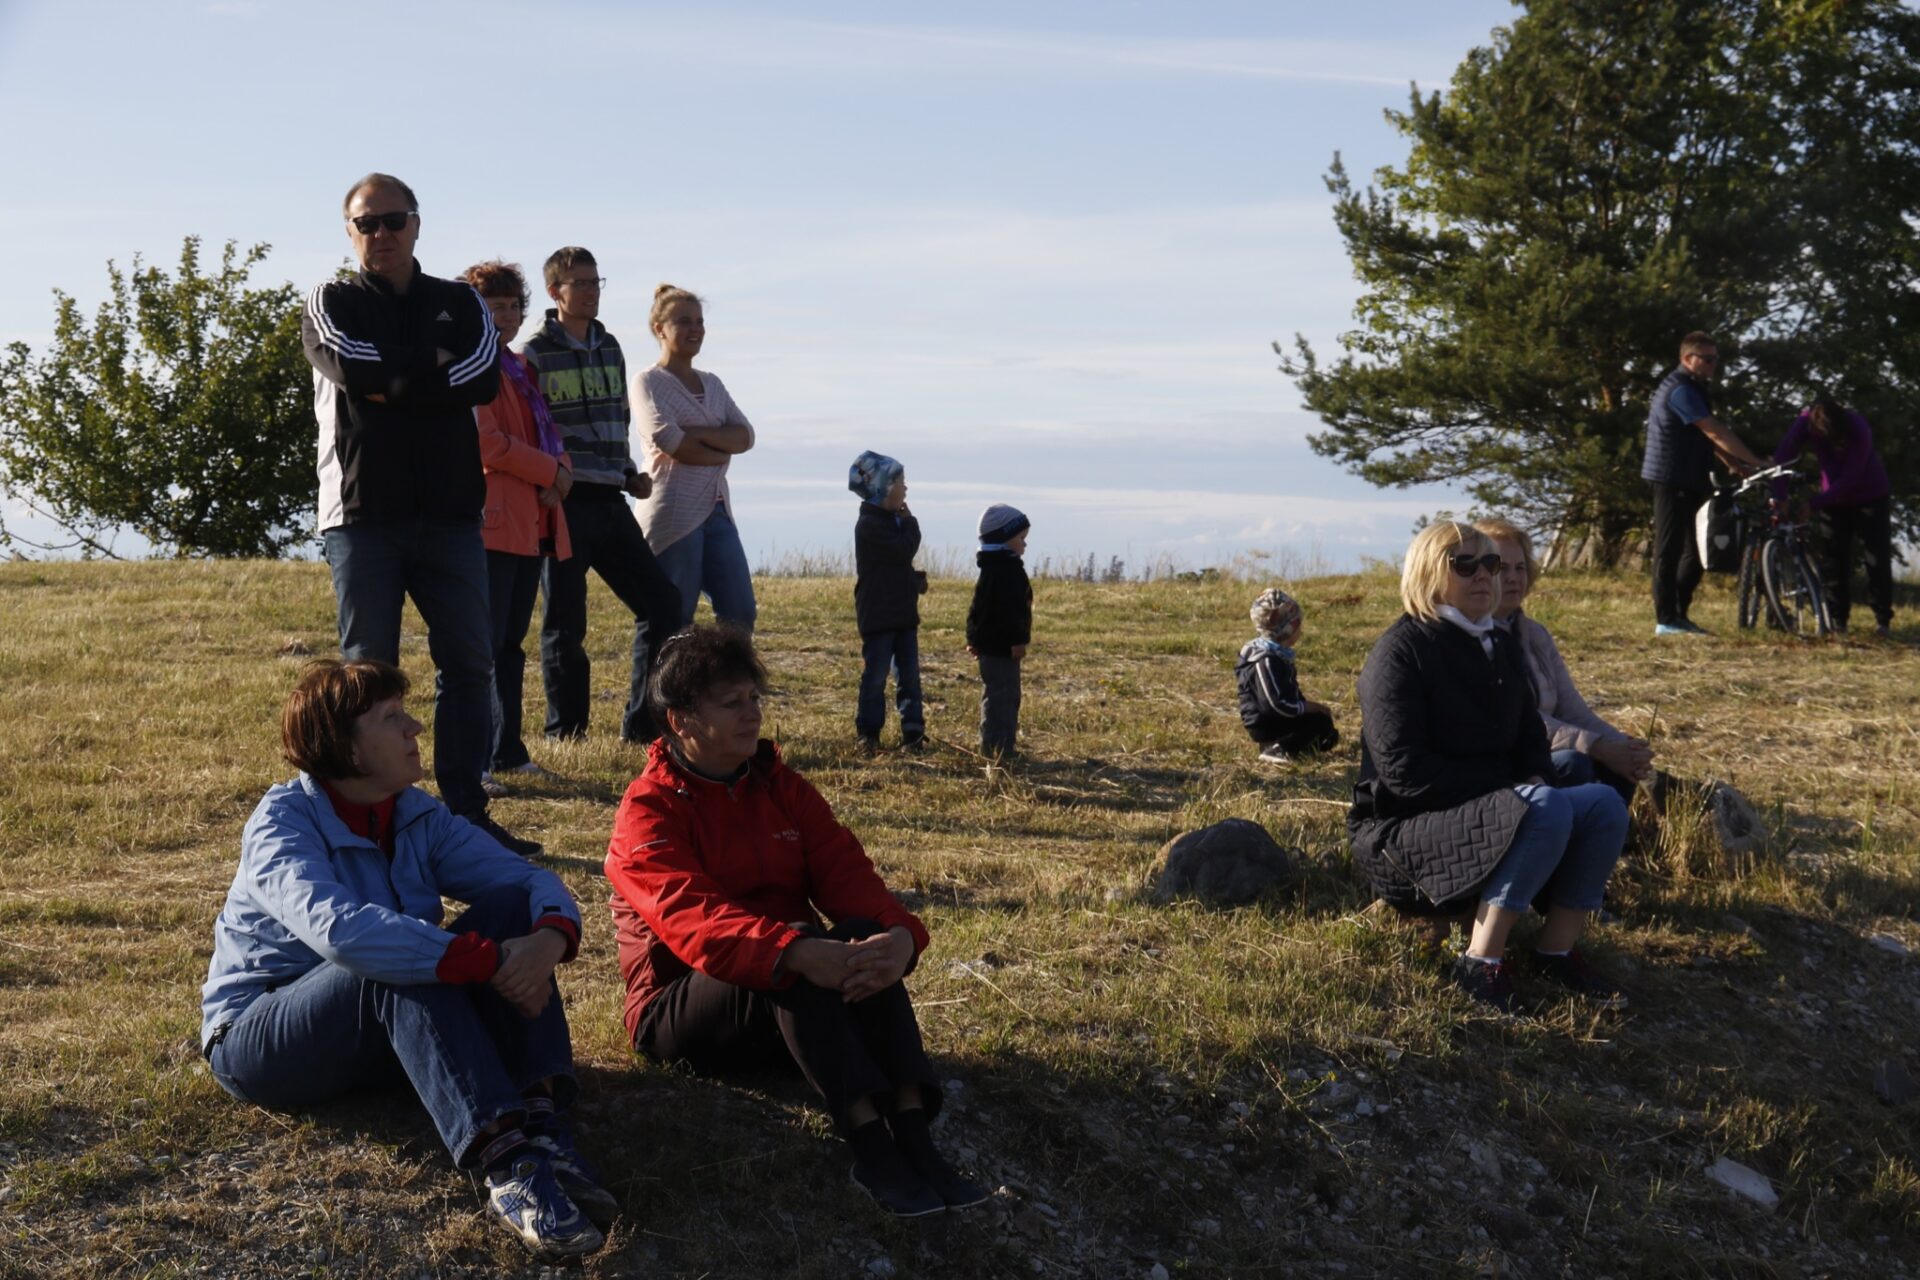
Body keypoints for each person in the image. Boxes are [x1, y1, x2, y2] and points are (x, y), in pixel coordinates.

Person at [200, 660, 611, 1260]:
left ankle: (543, 1123)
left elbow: (526, 882)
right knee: (393, 958)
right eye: (392, 718)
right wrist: (486, 960)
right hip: (261, 1039)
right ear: (348, 748)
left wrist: (546, 939)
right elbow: (344, 934)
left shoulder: (418, 813)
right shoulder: (281, 823)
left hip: (374, 1032)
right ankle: (510, 1165)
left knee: (506, 910)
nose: (415, 727)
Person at [605, 626, 987, 1218]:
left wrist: (898, 937)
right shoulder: (648, 808)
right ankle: (869, 1144)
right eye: (731, 703)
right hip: (679, 1008)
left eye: (754, 697)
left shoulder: (780, 787)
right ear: (680, 720)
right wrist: (793, 949)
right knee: (797, 950)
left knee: (860, 934)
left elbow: (845, 871)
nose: (751, 712)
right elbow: (691, 920)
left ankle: (914, 1132)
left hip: (794, 999)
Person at [300, 173, 538, 859]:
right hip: (363, 517)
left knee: (470, 663)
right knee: (367, 673)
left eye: (393, 220)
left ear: (416, 224)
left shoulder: (459, 301)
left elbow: (482, 376)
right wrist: (429, 370)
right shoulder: (330, 300)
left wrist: (393, 381)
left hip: (451, 516)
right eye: (366, 223)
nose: (382, 234)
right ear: (349, 232)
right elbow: (351, 366)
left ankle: (465, 815)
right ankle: (362, 821)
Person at [1348, 521, 1632, 1015]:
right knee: (1541, 807)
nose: (1484, 576)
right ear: (1429, 573)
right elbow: (1404, 773)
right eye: (1465, 565)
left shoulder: (1495, 644)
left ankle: (1556, 951)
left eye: (1491, 564)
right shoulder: (1399, 653)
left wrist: (1533, 778)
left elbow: (1529, 737)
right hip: (1401, 831)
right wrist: (1514, 792)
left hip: (1489, 806)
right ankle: (1481, 963)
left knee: (1602, 804)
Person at [520, 247, 681, 747]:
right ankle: (566, 732)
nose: (590, 291)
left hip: (611, 499)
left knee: (662, 602)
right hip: (563, 500)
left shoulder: (610, 345)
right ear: (555, 292)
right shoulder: (534, 353)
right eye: (580, 283)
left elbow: (618, 420)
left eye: (595, 282)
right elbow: (535, 428)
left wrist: (628, 471)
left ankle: (642, 727)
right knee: (565, 620)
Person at [460, 260, 573, 794]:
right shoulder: (470, 365)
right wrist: (551, 470)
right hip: (490, 522)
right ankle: (475, 760)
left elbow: (548, 436)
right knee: (482, 646)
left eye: (511, 307)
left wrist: (563, 471)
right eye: (492, 306)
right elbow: (487, 445)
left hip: (527, 522)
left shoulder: (517, 368)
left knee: (508, 645)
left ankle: (507, 750)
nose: (504, 316)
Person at [1474, 517, 1653, 801]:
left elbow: (1573, 709)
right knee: (1574, 763)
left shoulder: (1535, 634)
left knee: (1619, 762)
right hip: (1510, 761)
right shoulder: (1472, 639)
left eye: (1520, 568)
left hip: (1556, 745)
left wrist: (1622, 746)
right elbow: (1521, 721)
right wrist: (1596, 746)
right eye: (1501, 567)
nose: (1513, 578)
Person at [633, 284, 758, 631]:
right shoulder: (648, 382)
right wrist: (720, 450)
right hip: (674, 512)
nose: (695, 330)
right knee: (677, 617)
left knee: (740, 611)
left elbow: (745, 436)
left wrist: (699, 434)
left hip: (718, 511)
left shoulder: (713, 383)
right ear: (660, 329)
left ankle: (730, 685)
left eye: (699, 322)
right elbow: (671, 442)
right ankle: (671, 685)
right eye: (684, 321)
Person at [1640, 331, 1766, 636]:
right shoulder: (1679, 390)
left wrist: (1736, 465)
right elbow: (1714, 431)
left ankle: (1680, 615)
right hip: (1671, 478)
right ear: (1687, 359)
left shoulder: (1693, 389)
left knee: (1697, 551)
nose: (1713, 365)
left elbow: (1704, 436)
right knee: (1669, 550)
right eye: (1707, 359)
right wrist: (1759, 462)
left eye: (1716, 360)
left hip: (1691, 478)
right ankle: (1666, 619)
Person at [1771, 397, 1896, 638]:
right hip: (1833, 500)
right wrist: (1780, 495)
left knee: (1876, 557)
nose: (1834, 445)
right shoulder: (1805, 422)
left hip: (1870, 495)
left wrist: (1814, 504)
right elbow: (1783, 456)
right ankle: (1839, 620)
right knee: (1834, 558)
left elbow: (1850, 479)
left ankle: (1882, 619)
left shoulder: (1858, 428)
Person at [850, 450, 928, 752]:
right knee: (876, 675)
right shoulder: (870, 525)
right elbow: (901, 551)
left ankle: (913, 732)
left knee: (909, 675)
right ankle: (868, 732)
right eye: (901, 483)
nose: (906, 489)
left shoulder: (891, 520)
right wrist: (912, 525)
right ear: (883, 488)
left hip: (903, 613)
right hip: (879, 613)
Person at [1235, 587, 1339, 765]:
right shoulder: (1265, 660)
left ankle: (1296, 746)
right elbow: (1275, 704)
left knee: (1324, 727)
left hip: (1277, 717)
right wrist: (1311, 708)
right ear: (1286, 630)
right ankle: (1280, 749)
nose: (1300, 631)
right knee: (1318, 722)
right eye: (1297, 626)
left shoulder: (1278, 655)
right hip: (1266, 722)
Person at [965, 504, 1033, 759]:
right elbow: (1014, 610)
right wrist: (1018, 640)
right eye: (1021, 539)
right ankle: (1000, 747)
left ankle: (992, 743)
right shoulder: (1009, 572)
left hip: (989, 647)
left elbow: (978, 609)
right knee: (1005, 697)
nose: (1024, 545)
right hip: (1003, 649)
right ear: (1004, 540)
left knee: (993, 695)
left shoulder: (989, 569)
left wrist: (973, 638)